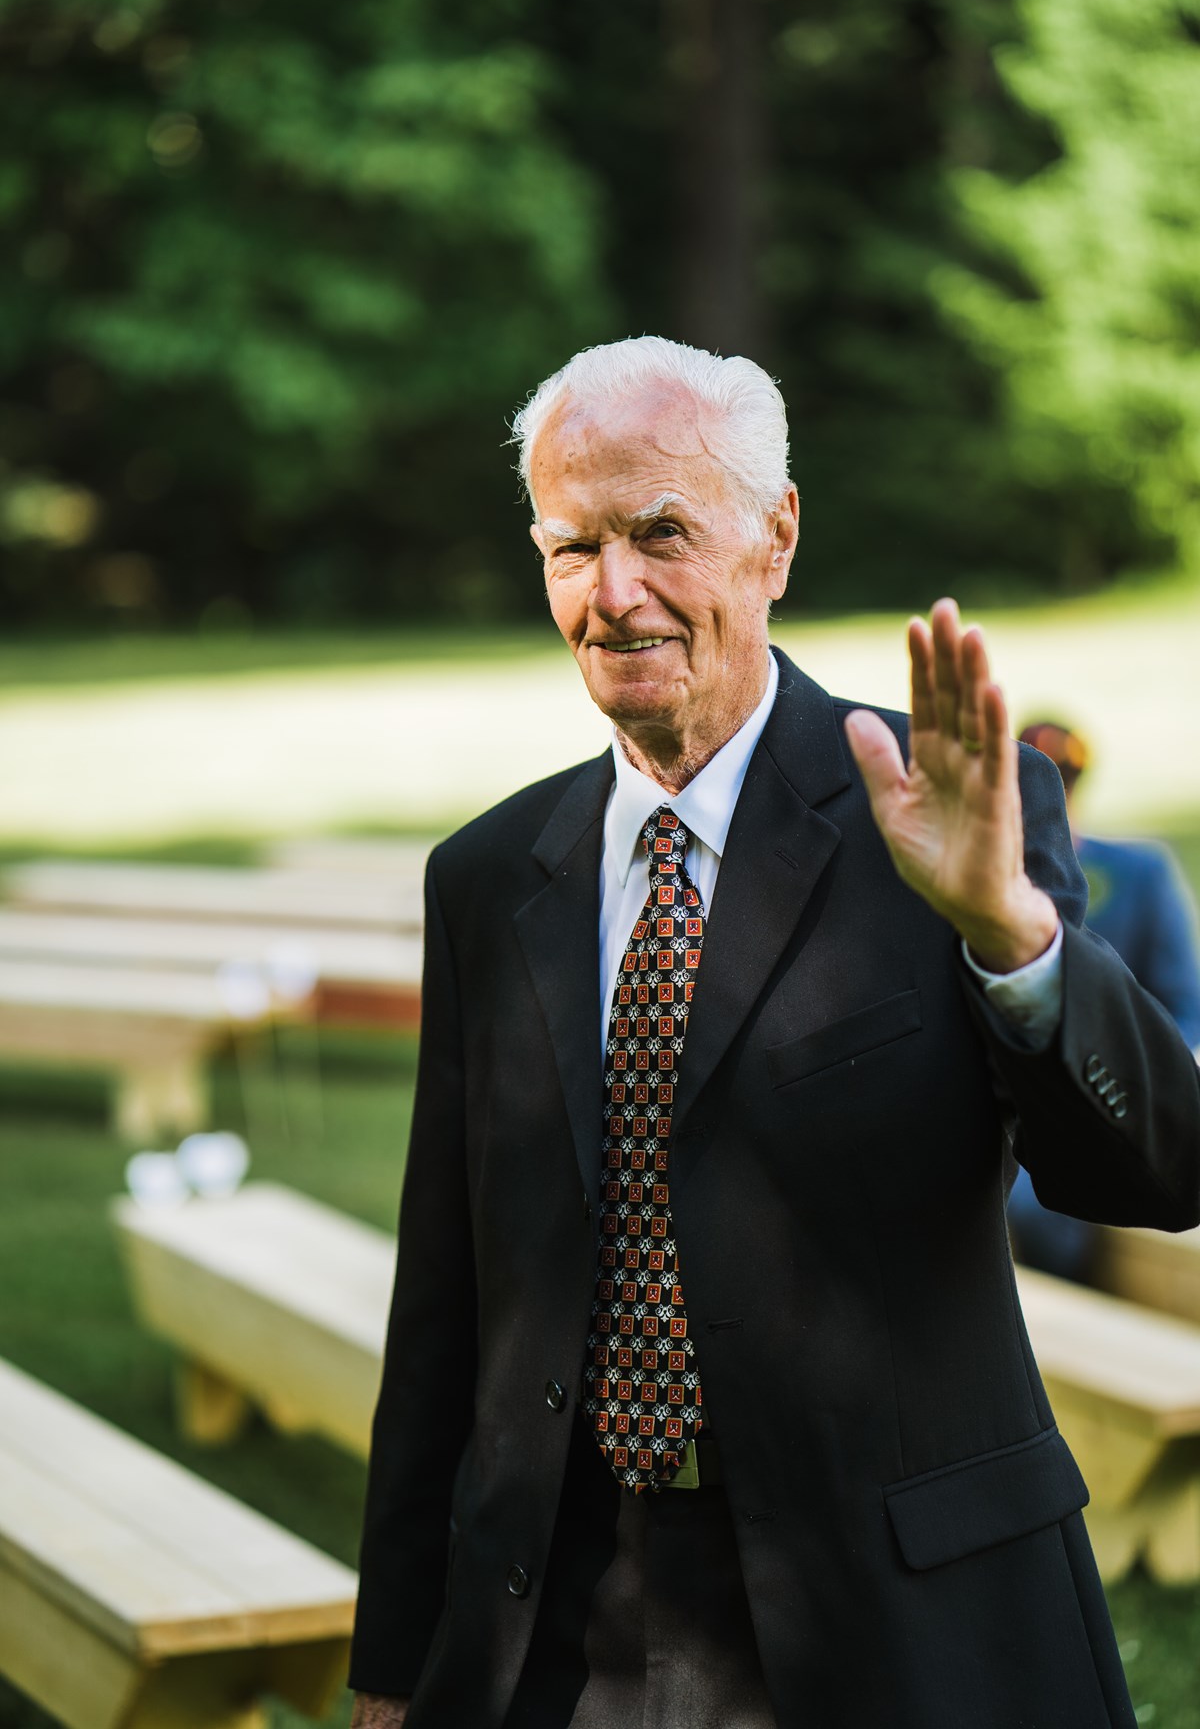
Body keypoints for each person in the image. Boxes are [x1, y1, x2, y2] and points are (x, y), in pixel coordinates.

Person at [347, 337, 1200, 1729]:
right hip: (560, 1627)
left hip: (891, 1619)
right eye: (573, 547)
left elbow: (1158, 1175)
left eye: (661, 532)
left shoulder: (943, 813)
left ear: (776, 536)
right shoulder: (491, 877)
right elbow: (446, 1301)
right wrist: (395, 1662)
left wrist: (1012, 937)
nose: (613, 594)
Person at [1007, 720, 1200, 1277]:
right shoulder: (978, 879)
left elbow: (1182, 1004)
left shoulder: (1142, 873)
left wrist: (1134, 1079)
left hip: (1109, 1094)